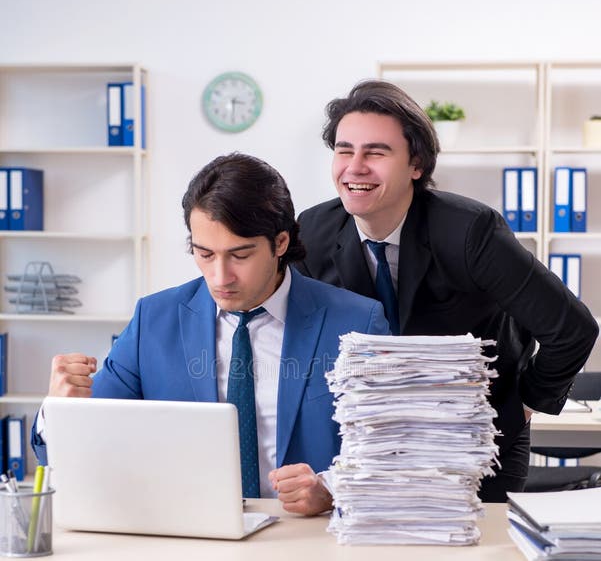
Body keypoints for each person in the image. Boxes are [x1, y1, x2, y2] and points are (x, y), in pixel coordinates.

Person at [32, 151, 388, 527]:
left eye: (240, 255)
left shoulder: (356, 322)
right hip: (188, 545)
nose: (221, 277)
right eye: (205, 254)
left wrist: (333, 487)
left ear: (280, 243)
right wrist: (56, 410)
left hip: (312, 543)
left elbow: (398, 449)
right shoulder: (154, 320)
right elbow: (85, 444)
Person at [296, 80, 599, 502]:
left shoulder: (470, 231)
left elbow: (571, 328)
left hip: (475, 441)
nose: (355, 166)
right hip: (370, 445)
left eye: (376, 152)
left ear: (416, 165)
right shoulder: (312, 232)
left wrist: (524, 405)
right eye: (345, 150)